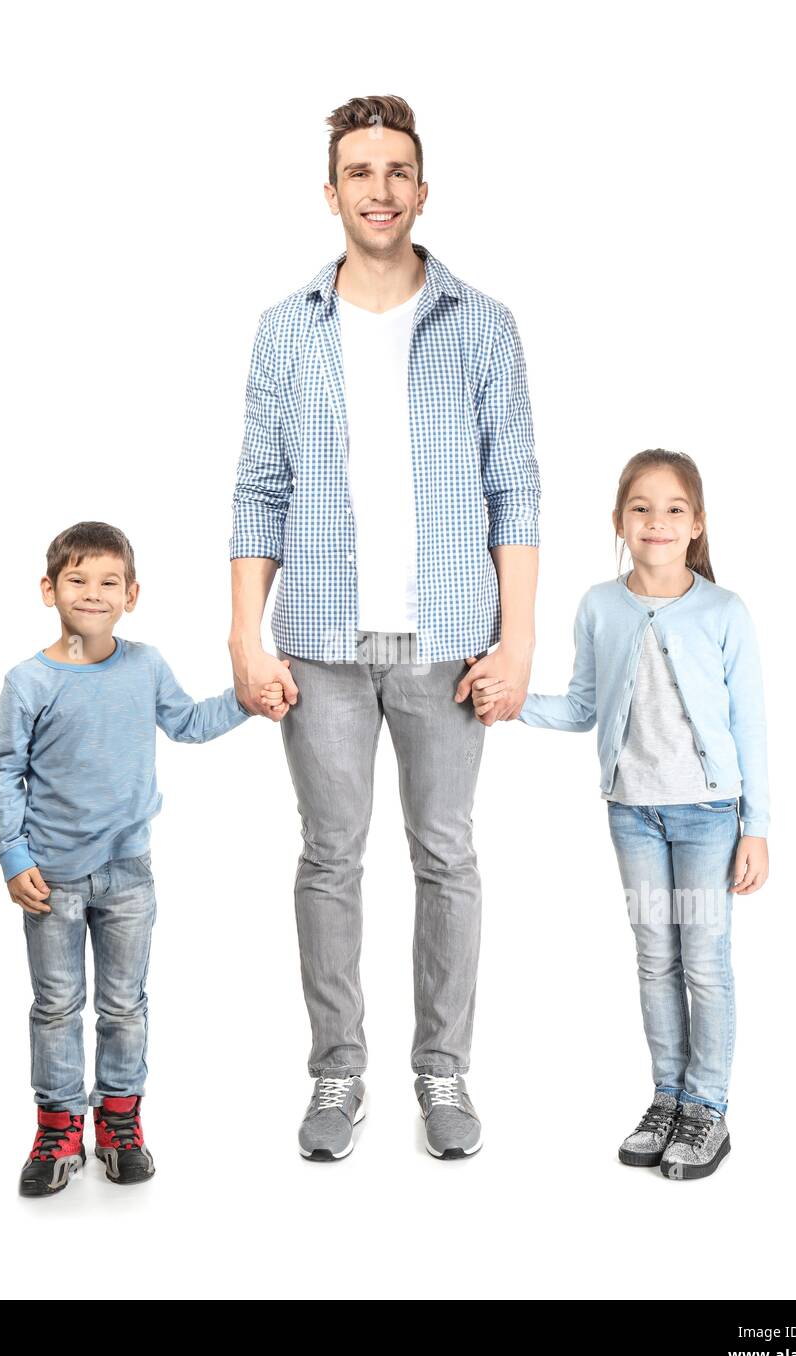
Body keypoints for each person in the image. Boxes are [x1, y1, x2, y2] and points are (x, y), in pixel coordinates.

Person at [233, 95, 541, 1161]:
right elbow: (257, 490)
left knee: (445, 854)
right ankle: (336, 1076)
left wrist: (517, 641)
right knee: (327, 857)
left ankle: (442, 1072)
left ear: (420, 187)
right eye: (358, 170)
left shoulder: (482, 324)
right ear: (331, 192)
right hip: (316, 639)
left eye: (395, 169)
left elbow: (517, 489)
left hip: (449, 640)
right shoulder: (285, 329)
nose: (377, 187)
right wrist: (243, 633)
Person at [471, 449, 769, 1179]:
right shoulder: (599, 607)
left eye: (673, 510)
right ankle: (666, 1097)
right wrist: (509, 703)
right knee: (654, 959)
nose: (656, 522)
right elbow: (581, 705)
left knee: (702, 961)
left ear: (696, 525)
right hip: (632, 816)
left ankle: (706, 1109)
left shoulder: (722, 611)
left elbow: (749, 723)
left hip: (704, 817)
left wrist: (754, 825)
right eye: (641, 508)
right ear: (618, 522)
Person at [0, 521, 253, 1196]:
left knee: (124, 1006)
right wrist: (13, 855)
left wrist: (249, 700)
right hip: (52, 876)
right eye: (77, 579)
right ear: (49, 589)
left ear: (132, 594)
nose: (93, 593)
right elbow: (2, 771)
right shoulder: (28, 681)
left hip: (129, 874)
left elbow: (188, 722)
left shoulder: (145, 664)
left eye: (109, 582)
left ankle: (120, 1122)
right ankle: (57, 1127)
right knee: (55, 1005)